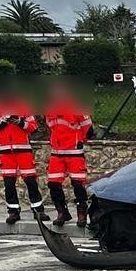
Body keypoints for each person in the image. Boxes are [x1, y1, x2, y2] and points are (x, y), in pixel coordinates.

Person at [0, 88, 43, 224]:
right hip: (5, 152)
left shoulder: (23, 106)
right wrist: (1, 123)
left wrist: (20, 122)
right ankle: (13, 211)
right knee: (9, 183)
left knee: (30, 180)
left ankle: (38, 210)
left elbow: (34, 127)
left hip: (23, 151)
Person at [42, 81, 94, 228]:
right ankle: (62, 212)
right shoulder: (50, 108)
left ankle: (82, 213)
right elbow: (50, 127)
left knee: (78, 184)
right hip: (57, 153)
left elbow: (88, 128)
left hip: (74, 152)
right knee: (53, 183)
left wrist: (79, 141)